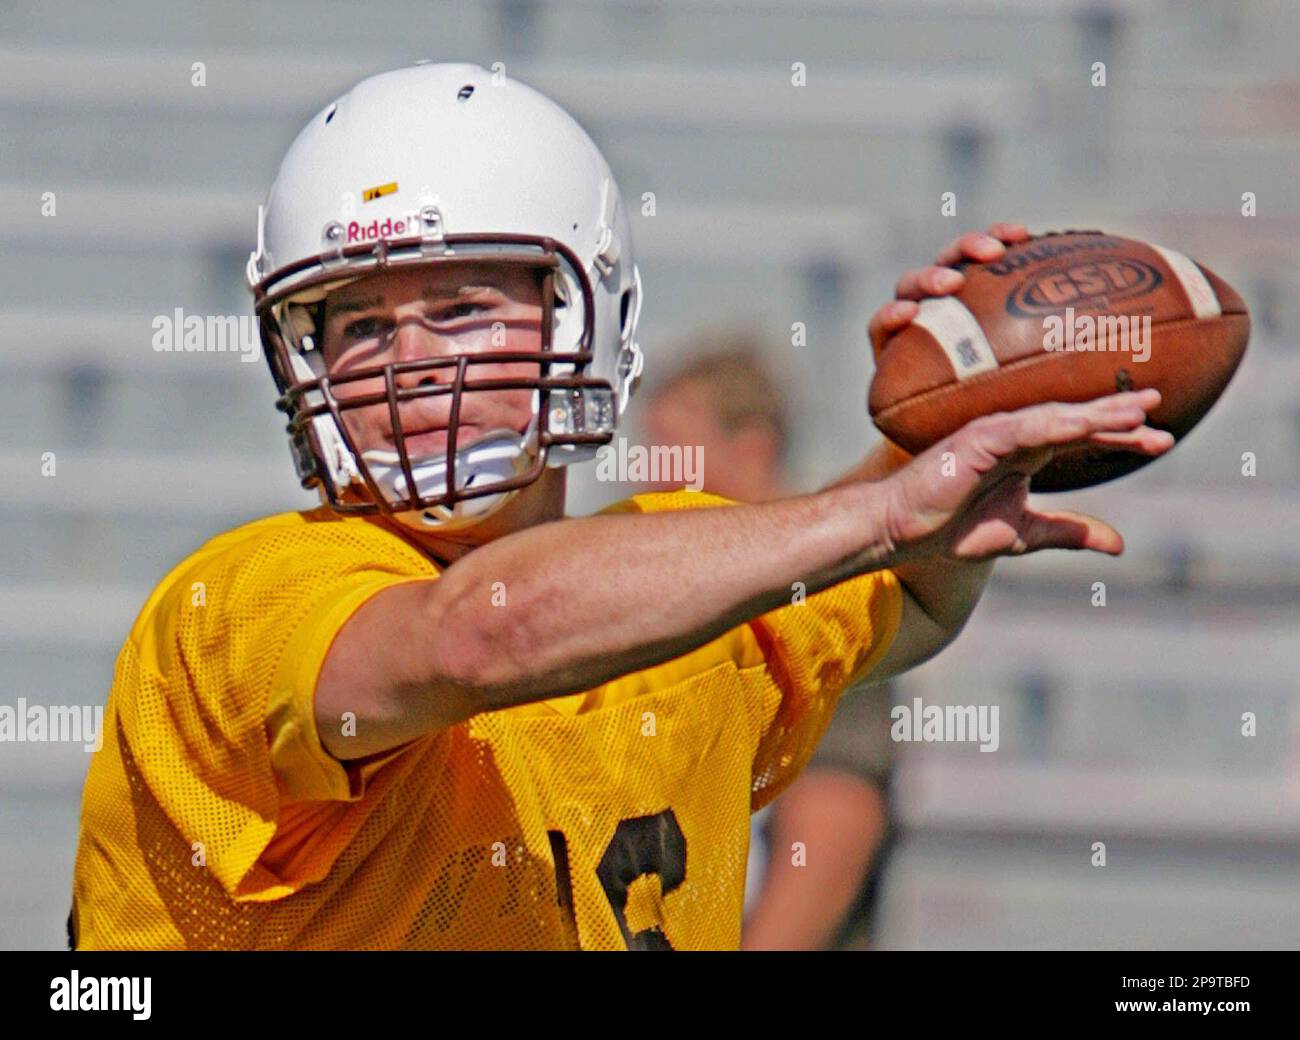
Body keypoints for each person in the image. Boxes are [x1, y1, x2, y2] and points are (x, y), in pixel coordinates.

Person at [68, 62, 1172, 950]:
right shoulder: (235, 606)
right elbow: (481, 630)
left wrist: (934, 423)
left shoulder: (666, 568)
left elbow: (906, 599)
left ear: (583, 317)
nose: (405, 364)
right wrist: (881, 511)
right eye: (356, 327)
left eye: (459, 306)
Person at [641, 346, 894, 950]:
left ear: (752, 449)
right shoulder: (683, 605)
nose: (646, 477)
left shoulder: (823, 601)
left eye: (671, 455)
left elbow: (832, 834)